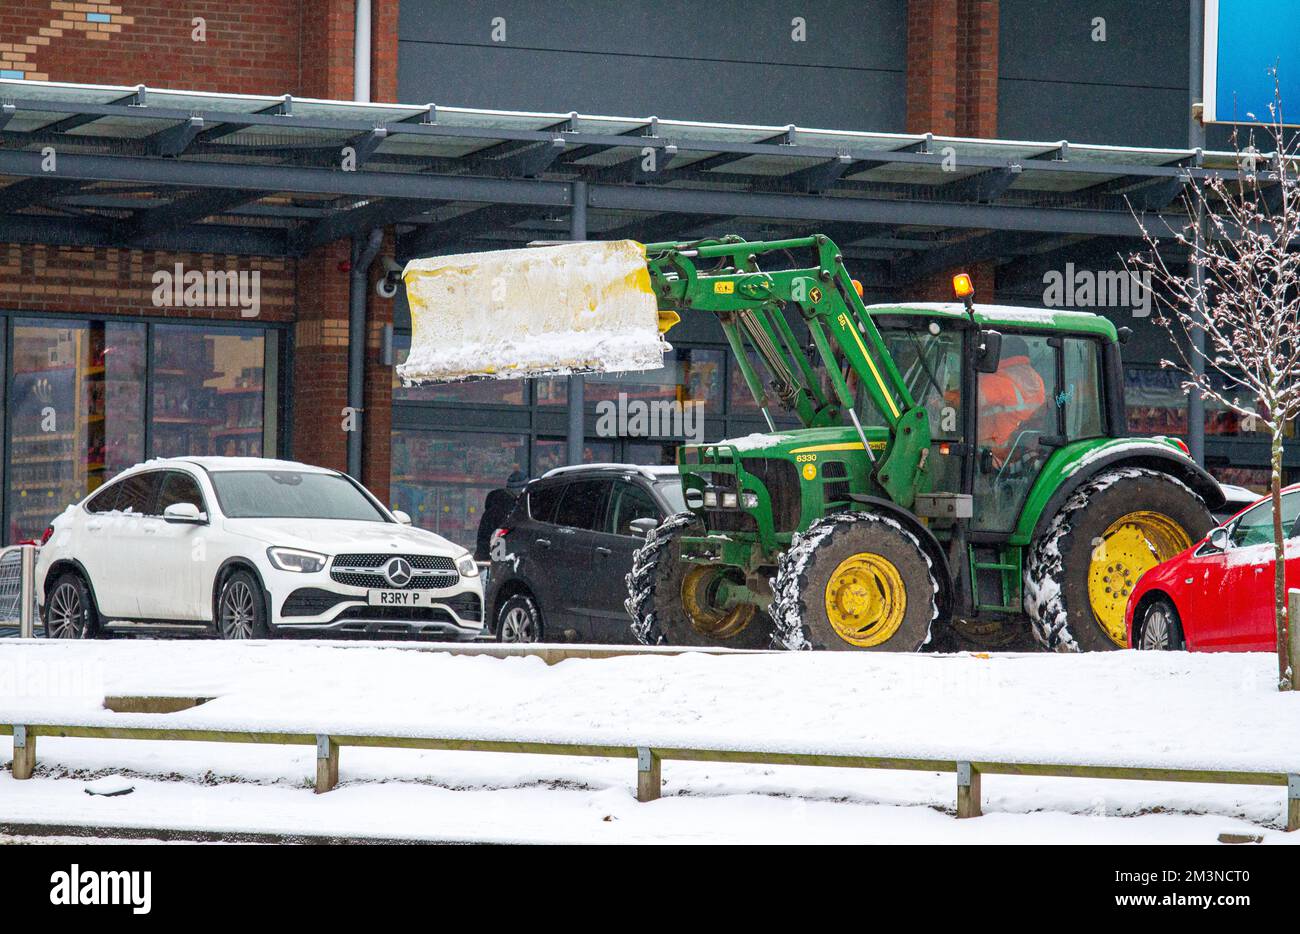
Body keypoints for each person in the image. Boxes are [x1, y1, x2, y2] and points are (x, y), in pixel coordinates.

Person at [977, 335, 1047, 465]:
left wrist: (941, 398)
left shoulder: (999, 380)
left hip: (996, 454)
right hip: (1022, 448)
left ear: (998, 354)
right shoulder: (1036, 379)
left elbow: (963, 399)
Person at [475, 471, 527, 561]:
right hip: (499, 561)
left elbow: (485, 542)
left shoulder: (494, 508)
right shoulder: (511, 512)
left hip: (488, 560)